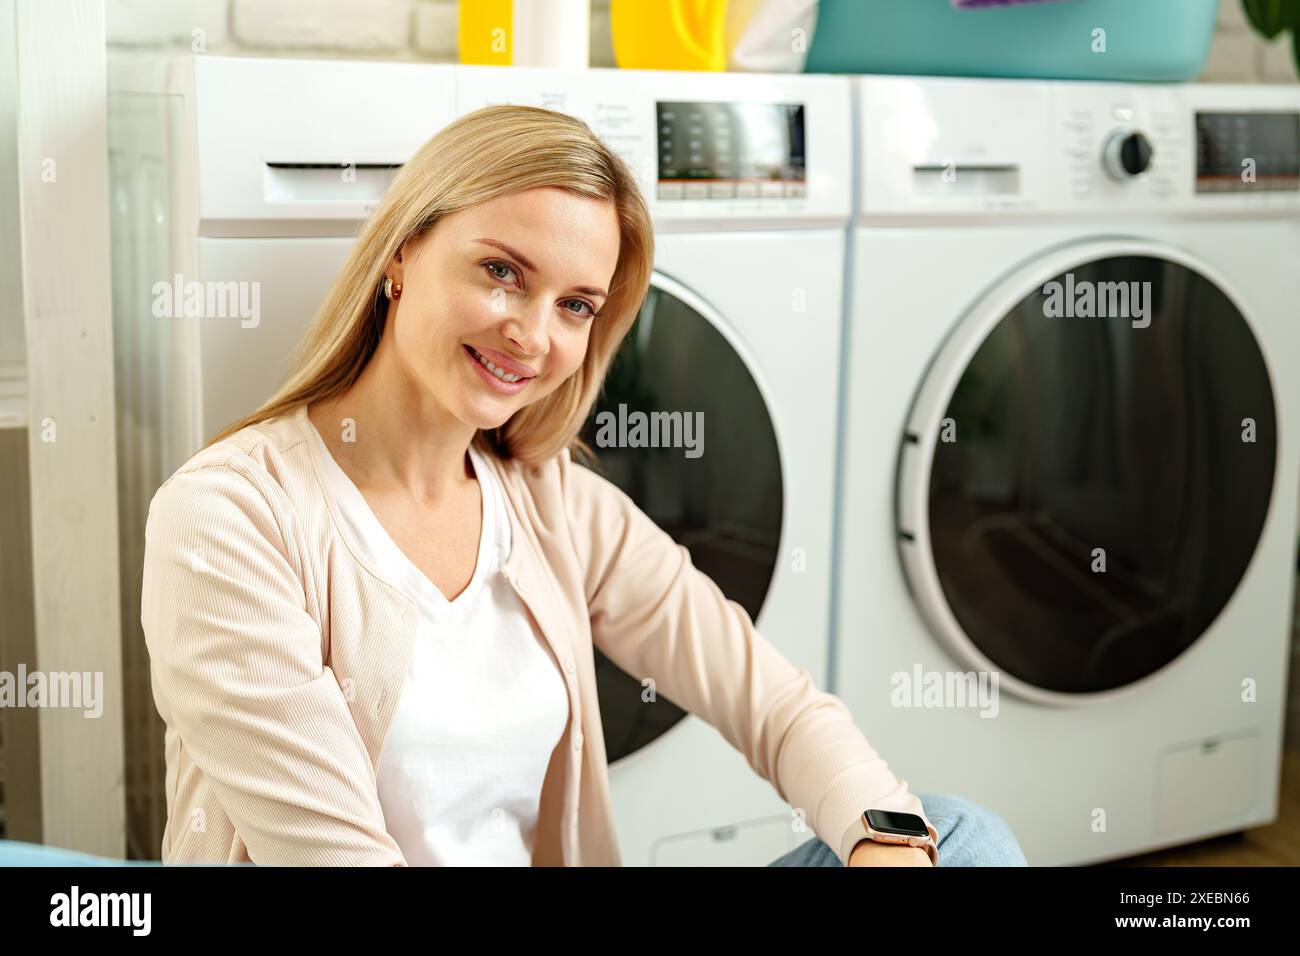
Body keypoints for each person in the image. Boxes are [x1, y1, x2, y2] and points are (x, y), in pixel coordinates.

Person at [140, 103, 1028, 867]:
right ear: (402, 253)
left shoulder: (553, 505)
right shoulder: (228, 520)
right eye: (502, 272)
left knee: (958, 833)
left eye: (575, 305)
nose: (533, 335)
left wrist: (883, 842)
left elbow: (777, 706)